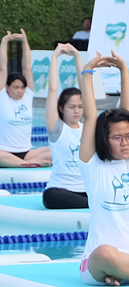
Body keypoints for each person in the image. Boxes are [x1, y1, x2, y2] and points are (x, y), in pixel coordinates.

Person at [77, 51, 129, 286]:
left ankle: (127, 274)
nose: (125, 142)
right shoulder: (93, 167)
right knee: (105, 253)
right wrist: (88, 71)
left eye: (128, 136)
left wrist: (123, 71)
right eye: (117, 138)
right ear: (104, 140)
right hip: (97, 263)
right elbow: (89, 117)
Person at [42, 43, 88, 210]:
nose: (77, 111)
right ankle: (92, 205)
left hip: (87, 190)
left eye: (80, 106)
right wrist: (55, 57)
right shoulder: (57, 129)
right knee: (49, 196)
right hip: (61, 190)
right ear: (61, 108)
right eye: (71, 107)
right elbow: (52, 90)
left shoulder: (88, 126)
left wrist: (77, 57)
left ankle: (91, 202)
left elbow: (86, 89)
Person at [0, 29, 51, 168]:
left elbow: (27, 67)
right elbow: (3, 69)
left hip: (26, 152)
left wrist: (24, 41)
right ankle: (28, 164)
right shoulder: (2, 97)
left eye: (22, 87)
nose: (20, 91)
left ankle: (25, 163)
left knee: (54, 150)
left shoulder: (27, 96)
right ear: (7, 87)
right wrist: (4, 42)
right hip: (4, 152)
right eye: (16, 87)